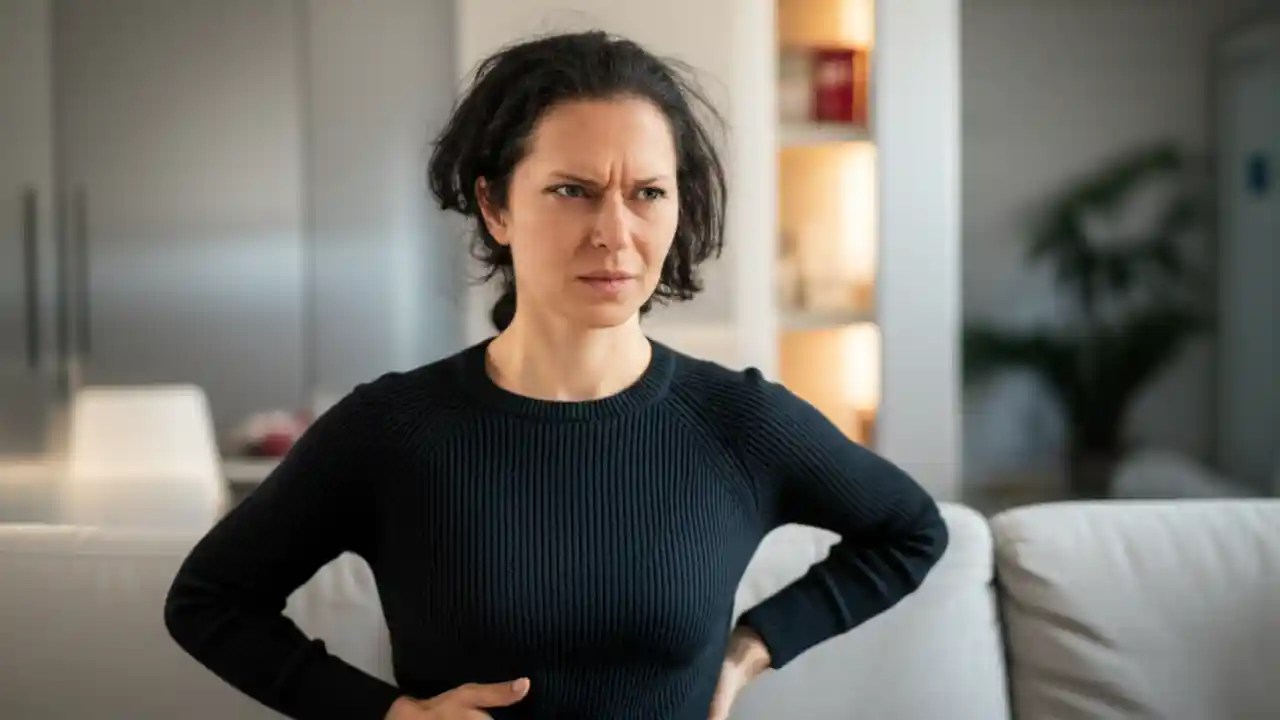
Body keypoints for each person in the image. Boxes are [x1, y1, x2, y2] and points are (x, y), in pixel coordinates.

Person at [164, 30, 948, 720]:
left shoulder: (738, 422)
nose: (615, 234)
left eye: (647, 194)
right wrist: (386, 714)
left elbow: (910, 531)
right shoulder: (393, 430)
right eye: (572, 191)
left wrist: (752, 648)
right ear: (496, 208)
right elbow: (209, 602)